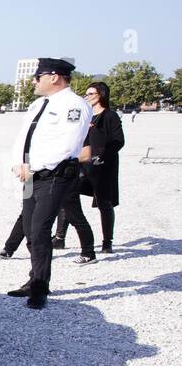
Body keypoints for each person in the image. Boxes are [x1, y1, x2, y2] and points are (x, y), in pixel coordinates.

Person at [5, 57, 92, 309]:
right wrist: (17, 162)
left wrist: (32, 165)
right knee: (30, 229)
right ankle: (34, 279)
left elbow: (67, 144)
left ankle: (40, 288)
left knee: (42, 229)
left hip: (54, 175)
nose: (34, 81)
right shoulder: (38, 104)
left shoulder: (74, 105)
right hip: (30, 175)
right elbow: (24, 137)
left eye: (38, 76)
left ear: (54, 77)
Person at [54, 81, 123, 255]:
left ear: (101, 95)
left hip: (102, 166)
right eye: (86, 94)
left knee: (104, 203)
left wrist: (102, 156)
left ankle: (107, 242)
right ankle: (59, 238)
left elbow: (118, 141)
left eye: (91, 94)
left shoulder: (110, 116)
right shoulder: (85, 115)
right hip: (82, 162)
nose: (87, 97)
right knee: (67, 197)